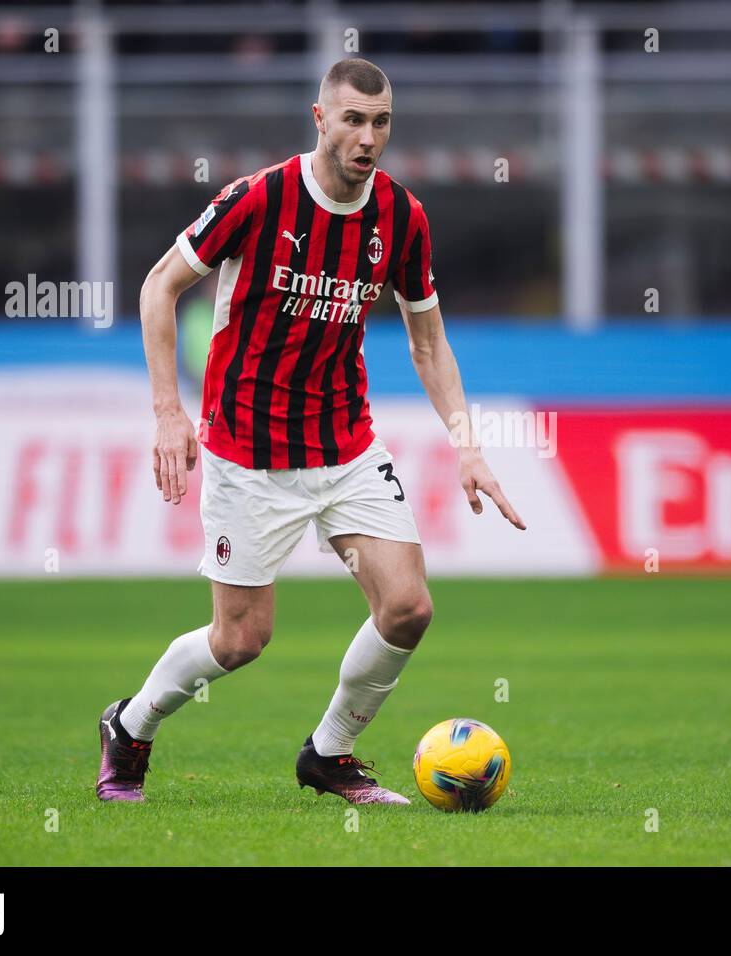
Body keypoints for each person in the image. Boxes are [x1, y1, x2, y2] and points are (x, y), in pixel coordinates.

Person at [97, 57, 525, 806]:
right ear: (320, 119)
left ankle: (330, 753)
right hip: (249, 454)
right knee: (240, 641)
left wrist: (468, 444)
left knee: (408, 606)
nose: (368, 137)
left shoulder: (401, 217)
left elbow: (428, 343)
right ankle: (130, 728)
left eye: (382, 121)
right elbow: (159, 285)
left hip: (345, 446)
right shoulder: (258, 199)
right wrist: (168, 412)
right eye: (353, 120)